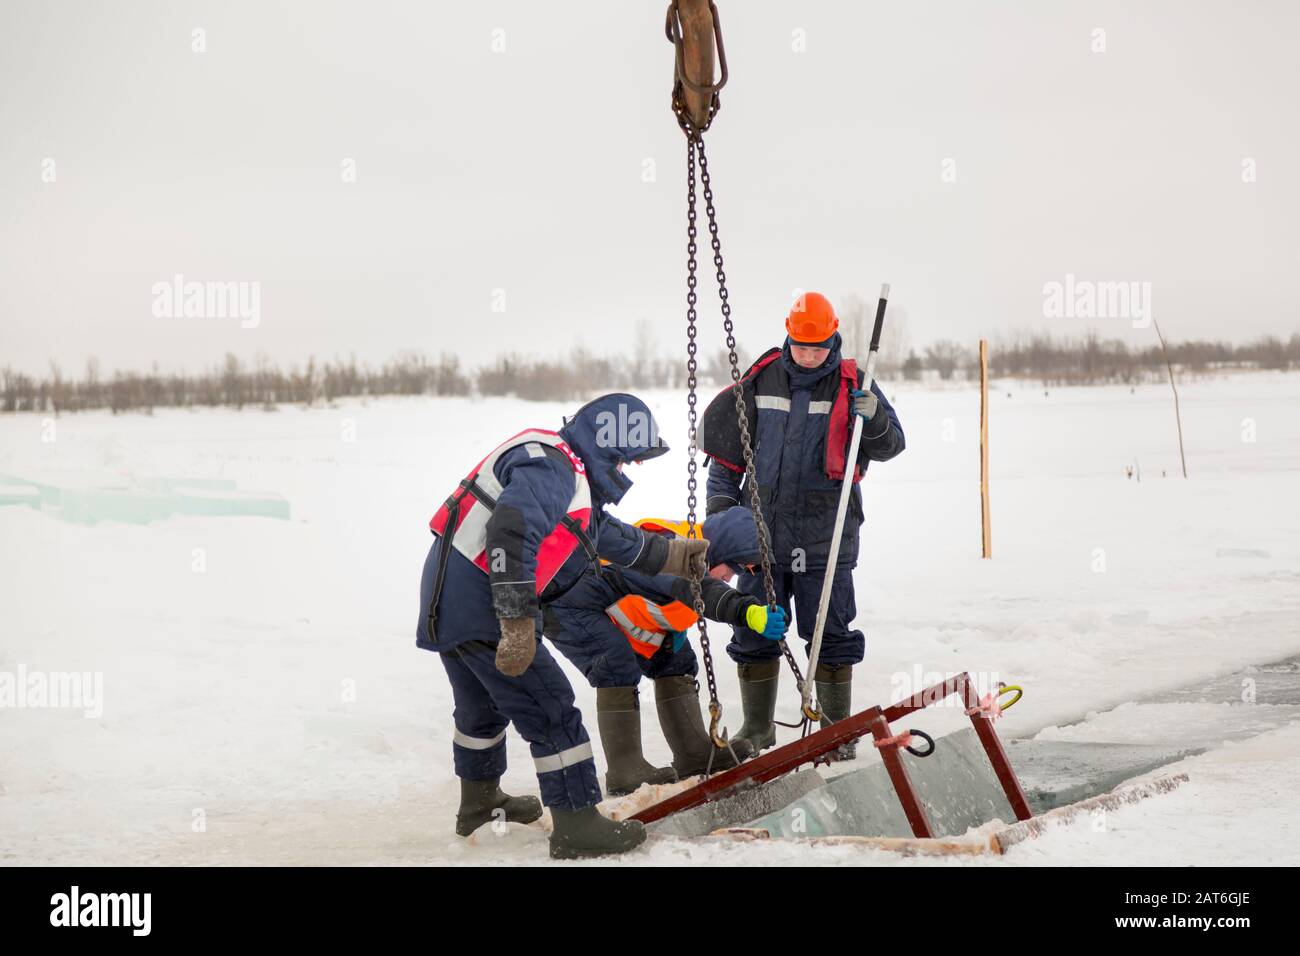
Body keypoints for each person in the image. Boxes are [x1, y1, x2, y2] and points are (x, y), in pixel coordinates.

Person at [417, 393, 708, 859]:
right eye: (630, 457)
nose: (631, 467)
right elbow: (510, 530)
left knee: (482, 708)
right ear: (609, 445)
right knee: (549, 705)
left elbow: (601, 535)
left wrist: (671, 554)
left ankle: (479, 802)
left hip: (453, 597)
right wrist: (516, 621)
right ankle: (575, 824)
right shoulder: (554, 466)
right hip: (483, 600)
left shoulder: (560, 470)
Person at [703, 291, 905, 759]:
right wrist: (723, 517)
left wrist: (872, 419)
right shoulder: (761, 380)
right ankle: (757, 727)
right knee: (754, 631)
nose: (809, 356)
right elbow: (726, 461)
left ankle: (835, 735)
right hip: (762, 539)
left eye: (817, 348)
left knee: (830, 634)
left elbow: (891, 445)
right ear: (788, 337)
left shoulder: (855, 384)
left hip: (825, 536)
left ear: (833, 339)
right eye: (801, 346)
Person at [544, 513, 788, 795]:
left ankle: (694, 753)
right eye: (733, 567)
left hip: (606, 606)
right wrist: (745, 610)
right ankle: (625, 769)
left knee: (677, 659)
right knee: (614, 666)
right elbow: (694, 587)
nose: (730, 577)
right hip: (565, 602)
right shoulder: (670, 548)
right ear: (720, 550)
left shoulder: (696, 554)